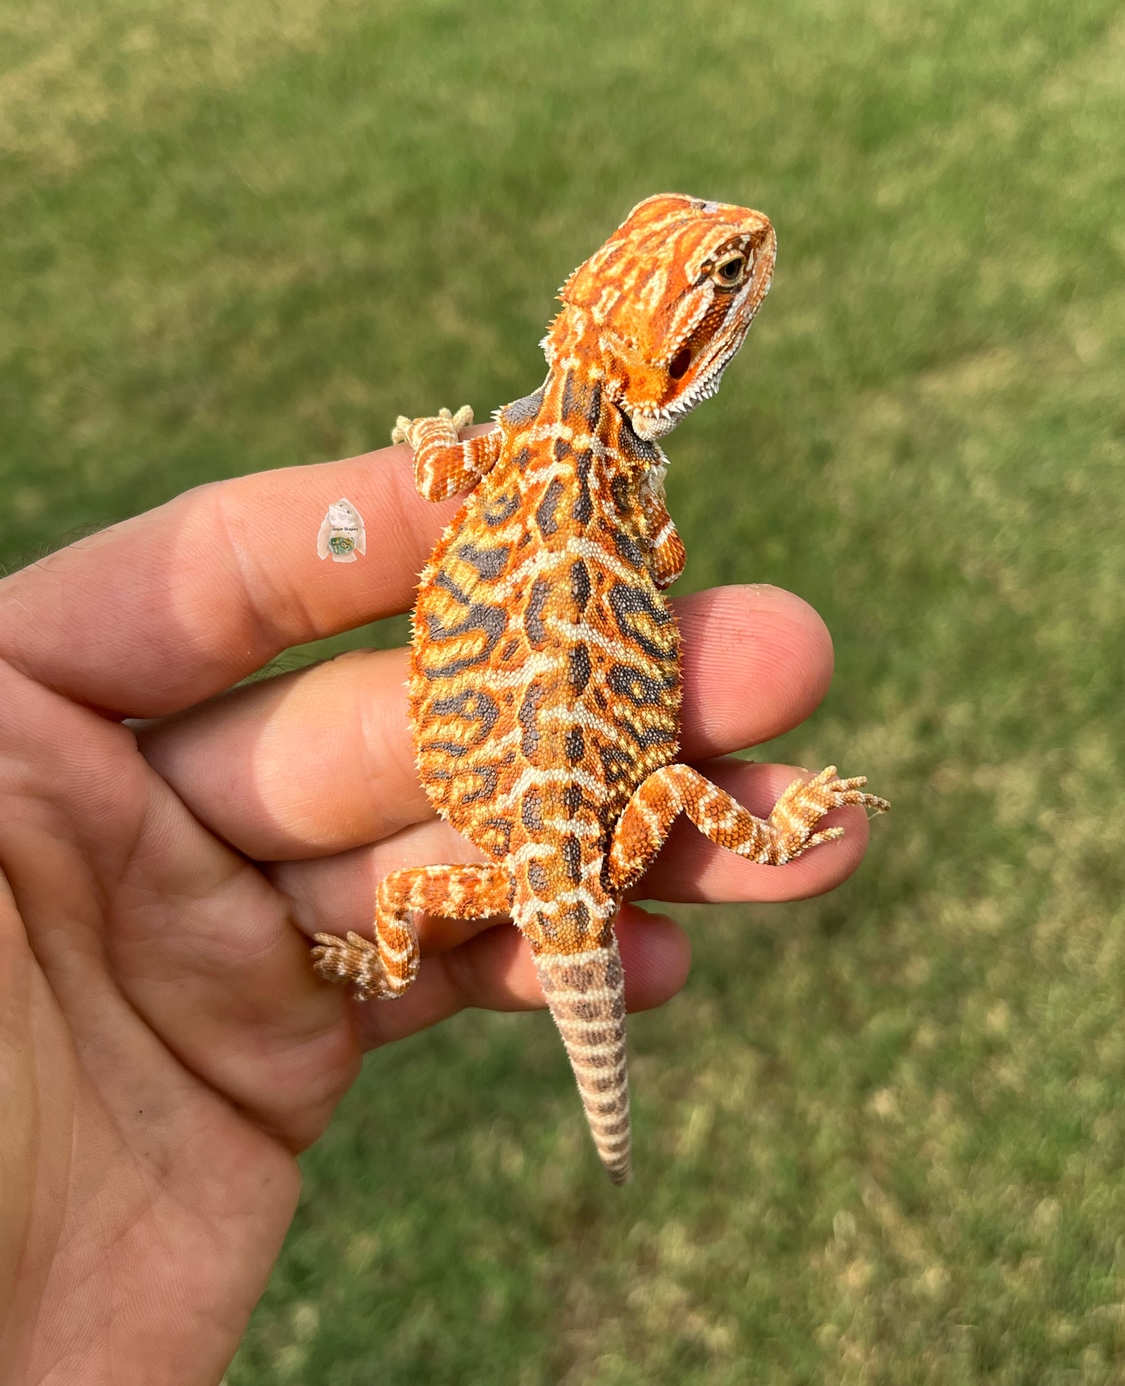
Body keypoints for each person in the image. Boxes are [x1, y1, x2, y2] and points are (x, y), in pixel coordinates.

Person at [0, 441, 876, 1384]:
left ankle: (413, 981)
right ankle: (775, 844)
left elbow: (413, 892)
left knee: (454, 881)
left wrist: (388, 963)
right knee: (656, 789)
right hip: (569, 861)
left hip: (539, 870)